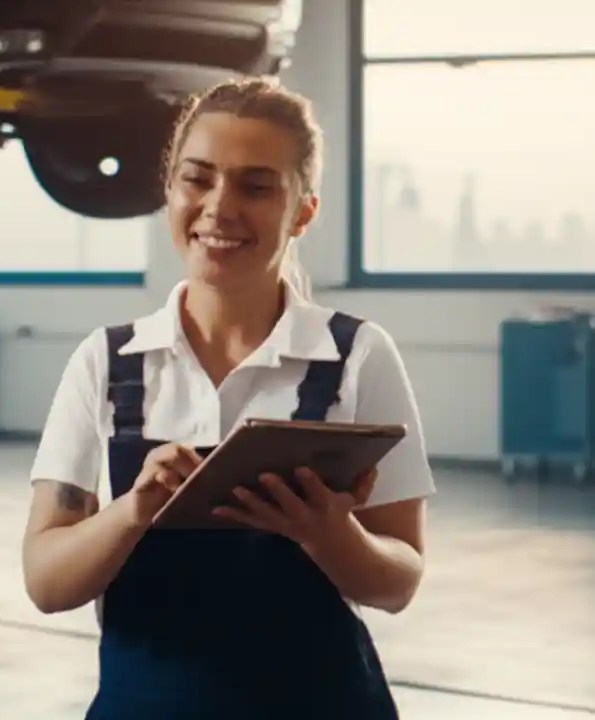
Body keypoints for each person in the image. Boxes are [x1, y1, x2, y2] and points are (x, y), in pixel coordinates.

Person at [22, 77, 435, 719]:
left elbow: (400, 578)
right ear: (169, 192)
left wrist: (330, 535)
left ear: (303, 211)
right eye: (199, 178)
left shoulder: (356, 356)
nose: (220, 206)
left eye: (256, 185)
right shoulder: (107, 363)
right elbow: (46, 583)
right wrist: (131, 512)